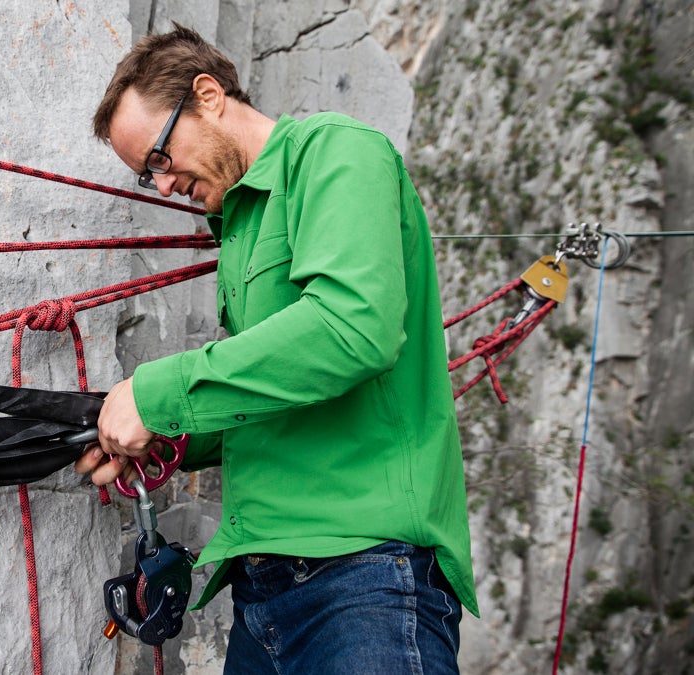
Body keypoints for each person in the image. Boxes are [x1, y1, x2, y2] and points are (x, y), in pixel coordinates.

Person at [74, 25, 479, 673]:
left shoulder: (338, 155)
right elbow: (274, 393)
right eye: (150, 175)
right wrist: (165, 440)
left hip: (363, 578)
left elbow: (352, 329)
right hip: (262, 598)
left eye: (158, 156)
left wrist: (157, 395)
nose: (165, 184)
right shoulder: (240, 226)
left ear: (207, 95)